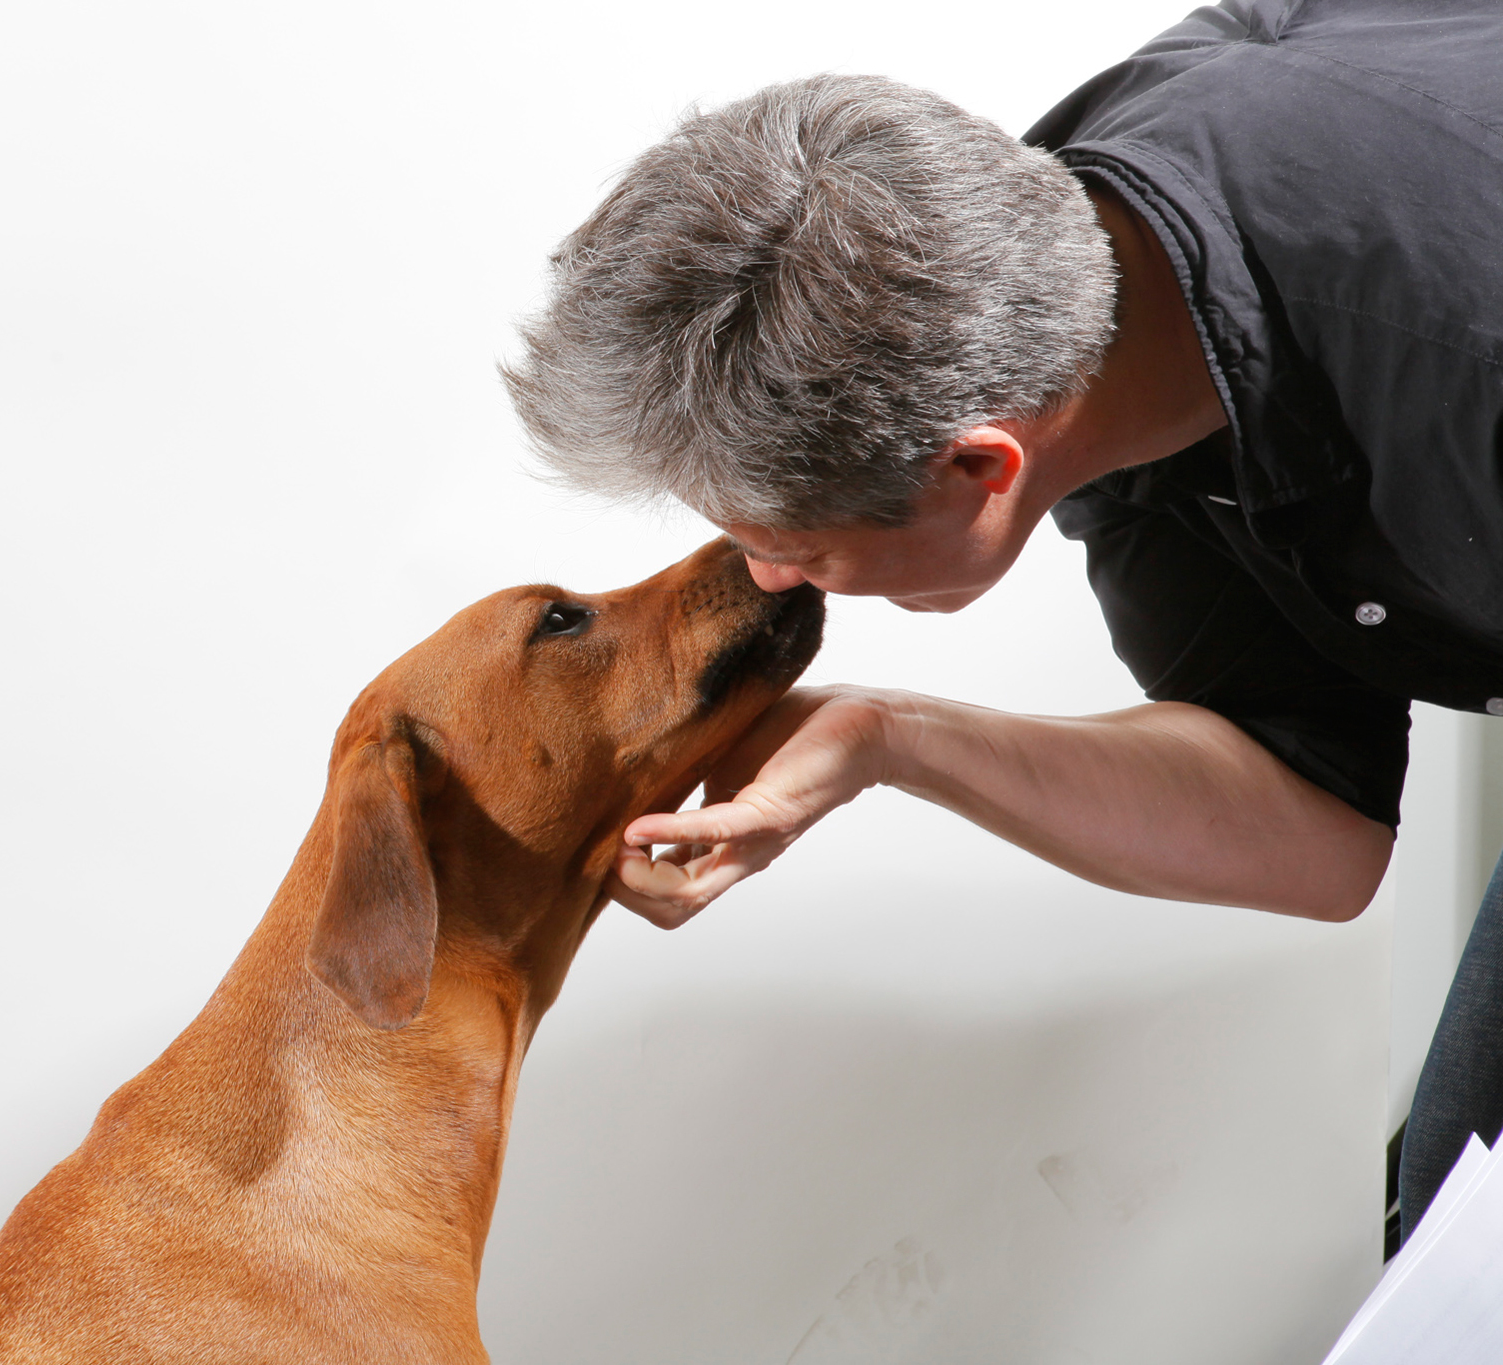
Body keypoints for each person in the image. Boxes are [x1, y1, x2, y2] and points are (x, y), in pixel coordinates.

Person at [501, 0, 1503, 1251]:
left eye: (786, 544)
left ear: (979, 467)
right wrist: (885, 739)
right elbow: (1315, 829)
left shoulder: (1456, 354)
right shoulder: (1035, 293)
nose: (763, 581)